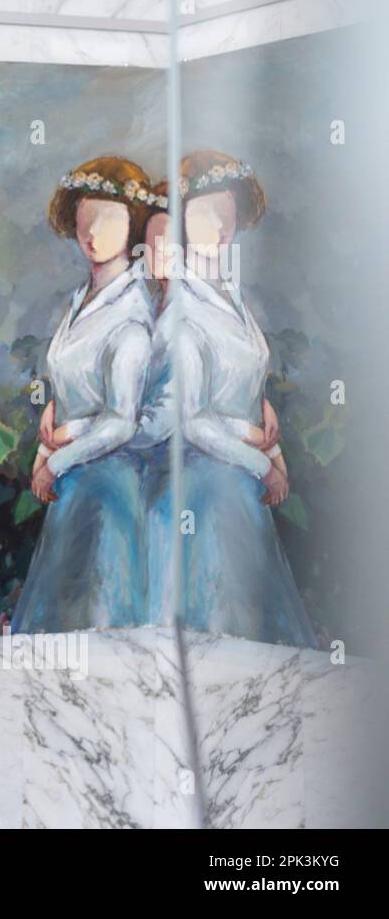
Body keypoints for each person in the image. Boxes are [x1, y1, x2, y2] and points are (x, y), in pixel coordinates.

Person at [160, 151, 316, 646]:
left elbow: (243, 373)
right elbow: (191, 419)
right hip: (204, 486)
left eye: (227, 218)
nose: (220, 230)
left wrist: (265, 414)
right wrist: (260, 460)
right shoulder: (181, 305)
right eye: (207, 216)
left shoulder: (229, 291)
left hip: (237, 476)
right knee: (223, 624)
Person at [12, 157, 155, 634]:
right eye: (85, 218)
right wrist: (49, 430)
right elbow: (71, 382)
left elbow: (121, 421)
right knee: (60, 621)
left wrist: (56, 460)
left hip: (107, 484)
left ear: (132, 225)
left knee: (101, 619)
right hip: (74, 481)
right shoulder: (83, 299)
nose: (93, 232)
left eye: (108, 219)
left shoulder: (133, 315)